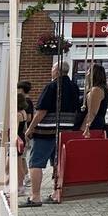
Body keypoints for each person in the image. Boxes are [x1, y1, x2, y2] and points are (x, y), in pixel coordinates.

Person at [21, 62, 81, 207]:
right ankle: (56, 193)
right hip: (65, 130)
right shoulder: (74, 87)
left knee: (36, 162)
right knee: (58, 163)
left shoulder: (52, 86)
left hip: (47, 130)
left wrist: (30, 129)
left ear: (56, 71)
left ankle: (35, 197)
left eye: (52, 69)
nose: (51, 72)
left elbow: (42, 111)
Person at [77, 63, 108, 138]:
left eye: (89, 71)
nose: (87, 74)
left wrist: (83, 129)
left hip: (93, 126)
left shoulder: (96, 90)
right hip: (95, 124)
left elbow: (92, 113)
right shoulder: (100, 89)